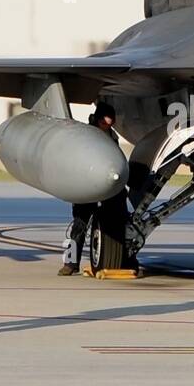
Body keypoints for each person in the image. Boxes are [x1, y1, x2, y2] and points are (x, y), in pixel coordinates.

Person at [59, 101, 130, 275]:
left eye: (109, 123)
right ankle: (70, 263)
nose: (107, 126)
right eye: (104, 123)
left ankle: (124, 257)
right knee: (79, 225)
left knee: (119, 220)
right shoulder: (86, 135)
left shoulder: (112, 137)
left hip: (109, 184)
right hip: (87, 183)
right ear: (97, 119)